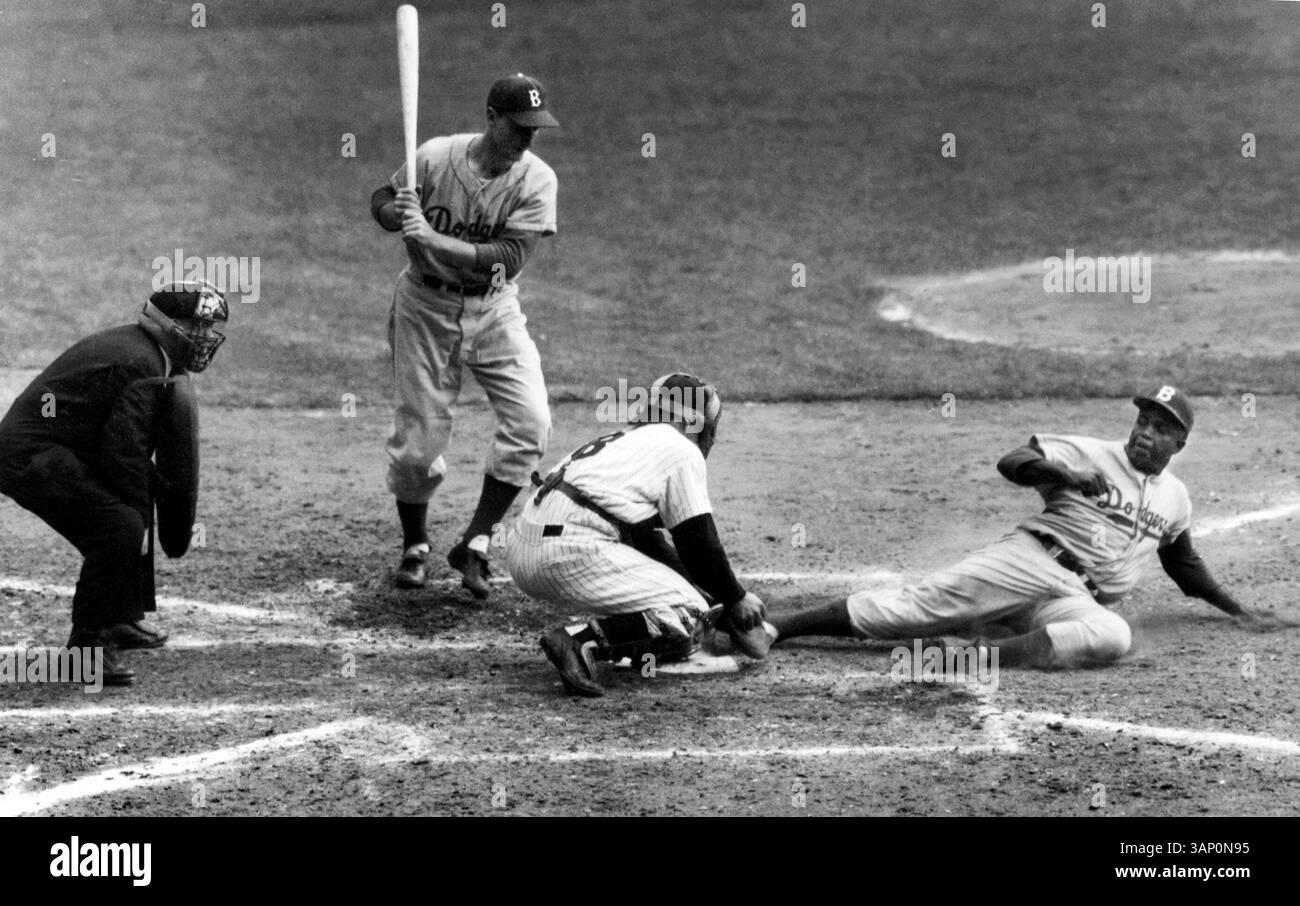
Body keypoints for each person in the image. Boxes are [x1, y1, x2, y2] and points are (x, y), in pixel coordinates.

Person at [763, 387, 1293, 668]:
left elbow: (1183, 563)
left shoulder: (1176, 499)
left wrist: (1239, 610)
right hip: (1028, 561)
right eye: (1143, 421)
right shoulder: (1091, 453)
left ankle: (978, 657)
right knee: (916, 609)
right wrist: (1065, 475)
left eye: (1161, 430)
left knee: (1113, 634)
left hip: (1070, 602)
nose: (1146, 433)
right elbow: (1012, 462)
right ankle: (779, 626)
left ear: (1179, 446)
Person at [369, 73, 560, 600]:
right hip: (424, 308)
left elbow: (509, 258)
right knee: (417, 446)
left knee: (531, 423)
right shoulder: (434, 157)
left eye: (535, 129)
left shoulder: (537, 180)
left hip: (496, 309)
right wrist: (396, 213)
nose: (527, 139)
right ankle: (415, 545)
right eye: (518, 127)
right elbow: (382, 197)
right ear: (492, 118)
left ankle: (476, 541)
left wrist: (432, 237)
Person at [0, 280, 229, 685]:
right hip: (29, 455)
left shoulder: (148, 354)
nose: (205, 336)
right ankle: (86, 648)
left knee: (130, 510)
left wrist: (145, 490)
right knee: (117, 524)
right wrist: (146, 492)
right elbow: (123, 450)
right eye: (198, 326)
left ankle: (120, 617)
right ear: (166, 324)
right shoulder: (141, 363)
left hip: (59, 446)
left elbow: (122, 446)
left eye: (210, 328)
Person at [505, 373, 769, 697]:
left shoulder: (628, 443)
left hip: (526, 550)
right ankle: (576, 640)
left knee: (687, 600)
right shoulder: (680, 450)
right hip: (568, 552)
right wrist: (735, 598)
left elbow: (650, 545)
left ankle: (629, 643)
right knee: (687, 615)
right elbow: (698, 545)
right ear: (698, 423)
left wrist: (717, 602)